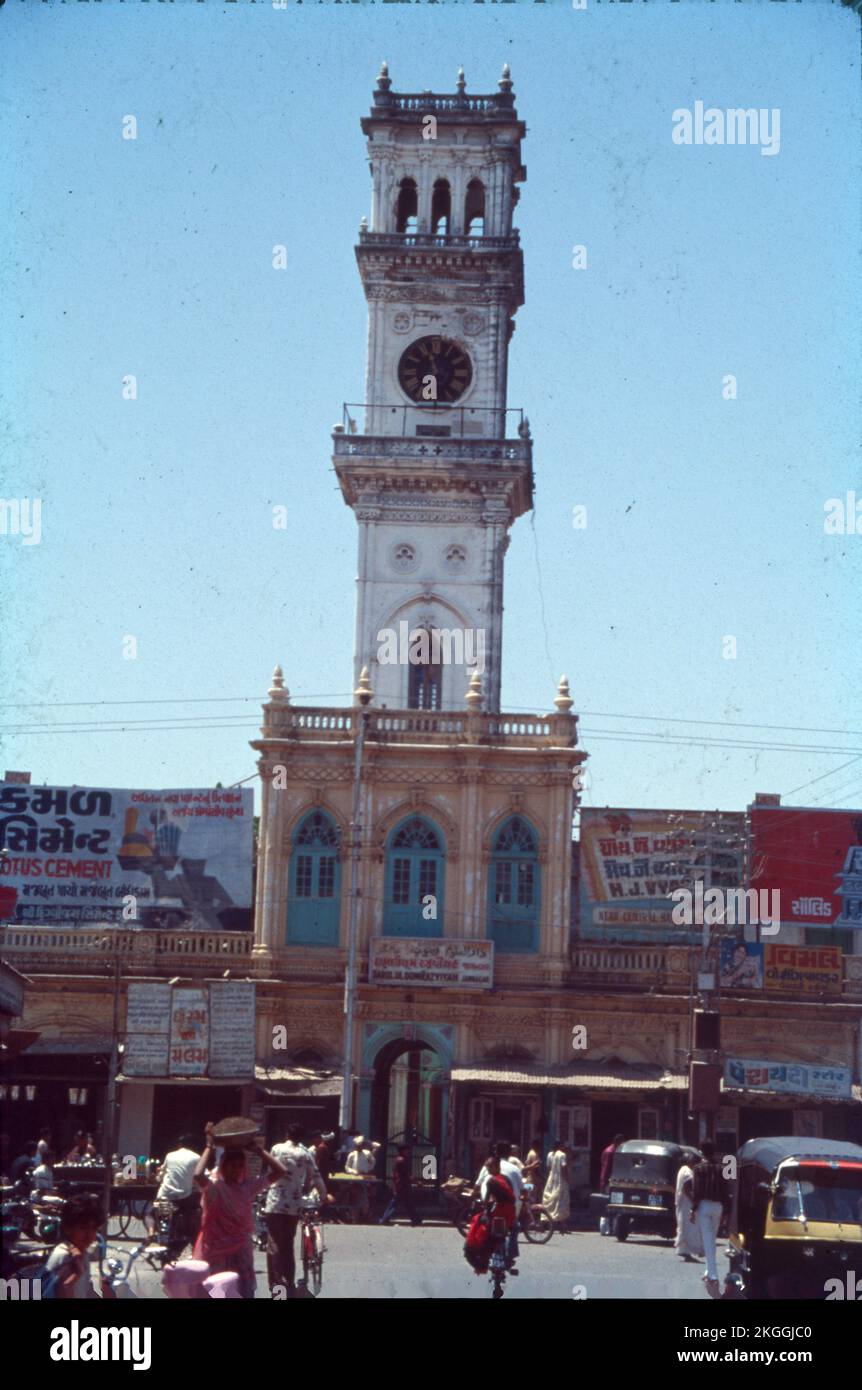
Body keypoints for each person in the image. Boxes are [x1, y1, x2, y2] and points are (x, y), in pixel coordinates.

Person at [193, 1123, 287, 1299]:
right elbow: (198, 1176)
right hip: (216, 1250)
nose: (235, 1170)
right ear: (223, 1166)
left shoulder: (247, 1188)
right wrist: (209, 1147)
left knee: (242, 1291)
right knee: (216, 1291)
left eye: (239, 1165)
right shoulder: (215, 1188)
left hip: (240, 1249)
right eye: (232, 1165)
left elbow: (280, 1171)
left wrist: (259, 1151)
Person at [263, 1123, 329, 1295]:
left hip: (275, 1202)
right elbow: (316, 1176)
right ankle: (289, 1283)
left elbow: (270, 1170)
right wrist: (323, 1196)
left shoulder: (277, 1148)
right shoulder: (305, 1153)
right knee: (288, 1244)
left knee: (274, 1245)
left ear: (286, 1134)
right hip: (293, 1205)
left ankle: (278, 1288)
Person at [45, 1193, 114, 1299]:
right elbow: (64, 1289)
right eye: (83, 1228)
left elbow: (86, 1291)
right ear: (68, 1228)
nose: (89, 1234)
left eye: (94, 1229)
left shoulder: (81, 1252)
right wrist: (75, 1275)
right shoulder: (66, 1256)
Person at [691, 1139, 731, 1298]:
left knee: (708, 1239)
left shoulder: (698, 1168)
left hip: (704, 1206)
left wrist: (693, 1209)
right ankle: (709, 1270)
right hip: (718, 1206)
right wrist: (727, 1211)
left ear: (701, 1151)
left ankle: (713, 1276)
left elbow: (697, 1190)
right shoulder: (722, 1168)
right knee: (711, 1238)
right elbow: (727, 1190)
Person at [155, 1133, 202, 1255]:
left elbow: (162, 1173)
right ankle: (191, 1243)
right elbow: (202, 1175)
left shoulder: (170, 1155)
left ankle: (154, 1233)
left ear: (179, 1145)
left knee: (151, 1215)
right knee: (193, 1216)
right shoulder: (196, 1157)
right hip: (184, 1198)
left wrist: (159, 1178)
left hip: (165, 1196)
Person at [378, 1145, 422, 1227]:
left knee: (407, 1203)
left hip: (401, 1184)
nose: (408, 1152)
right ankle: (385, 1219)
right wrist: (416, 1181)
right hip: (402, 1185)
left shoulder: (399, 1160)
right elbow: (406, 1174)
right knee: (396, 1203)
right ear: (402, 1151)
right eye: (406, 1150)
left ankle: (416, 1219)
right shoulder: (401, 1161)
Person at [674, 1155, 703, 1262]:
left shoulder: (683, 1170)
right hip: (686, 1203)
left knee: (684, 1226)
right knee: (688, 1227)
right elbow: (686, 1187)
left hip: (682, 1202)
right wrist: (693, 1200)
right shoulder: (687, 1172)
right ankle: (686, 1251)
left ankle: (684, 1250)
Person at [345, 1135, 377, 1221]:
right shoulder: (352, 1154)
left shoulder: (367, 1153)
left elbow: (372, 1163)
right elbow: (347, 1167)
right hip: (354, 1178)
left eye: (361, 1145)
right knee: (354, 1197)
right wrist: (354, 1172)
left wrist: (367, 1169)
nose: (359, 1147)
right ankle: (354, 1216)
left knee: (365, 1196)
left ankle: (365, 1215)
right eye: (358, 1146)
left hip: (365, 1178)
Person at [542, 1139, 571, 1233]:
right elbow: (564, 1167)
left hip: (551, 1180)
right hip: (560, 1180)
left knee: (550, 1201)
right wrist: (567, 1178)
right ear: (561, 1146)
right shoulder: (562, 1155)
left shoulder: (550, 1154)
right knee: (562, 1201)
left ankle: (545, 1223)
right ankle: (563, 1227)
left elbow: (548, 1168)